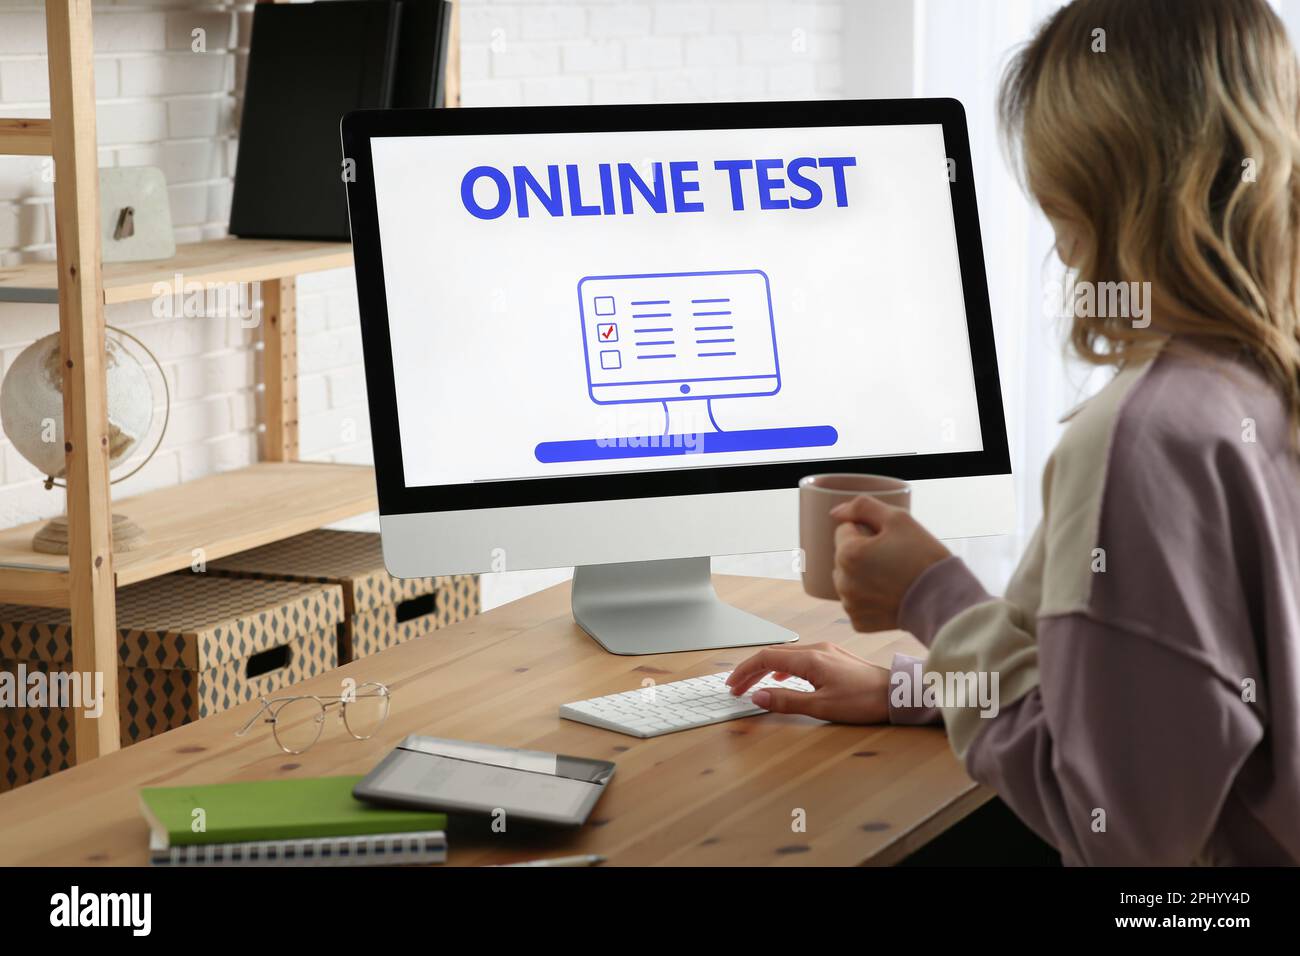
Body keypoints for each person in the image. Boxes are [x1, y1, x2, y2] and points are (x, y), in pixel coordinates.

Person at [727, 0, 1300, 866]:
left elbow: (1119, 835)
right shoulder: (1263, 383)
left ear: (1096, 187)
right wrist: (917, 684)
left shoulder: (1146, 440)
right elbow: (1164, 709)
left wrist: (931, 598)